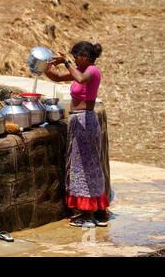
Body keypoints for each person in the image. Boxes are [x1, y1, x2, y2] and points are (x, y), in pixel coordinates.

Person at [45, 41, 110, 227]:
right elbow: (56, 77)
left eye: (76, 57)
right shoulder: (78, 71)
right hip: (79, 121)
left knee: (84, 166)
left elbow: (81, 80)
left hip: (85, 122)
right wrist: (45, 65)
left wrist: (67, 63)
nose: (74, 59)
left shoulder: (92, 72)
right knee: (88, 164)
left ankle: (88, 213)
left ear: (86, 57)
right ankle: (99, 211)